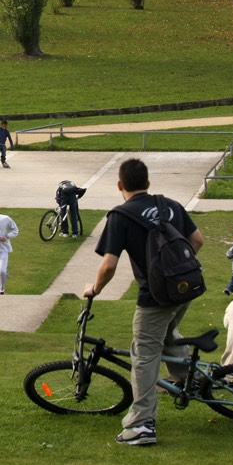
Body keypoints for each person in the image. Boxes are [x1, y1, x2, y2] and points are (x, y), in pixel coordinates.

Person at [83, 157, 204, 447]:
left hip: (154, 296)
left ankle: (141, 424)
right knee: (166, 330)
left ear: (119, 186)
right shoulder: (170, 205)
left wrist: (94, 289)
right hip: (186, 287)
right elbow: (197, 240)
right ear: (148, 183)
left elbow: (109, 265)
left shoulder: (120, 216)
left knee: (144, 356)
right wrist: (175, 271)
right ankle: (190, 379)